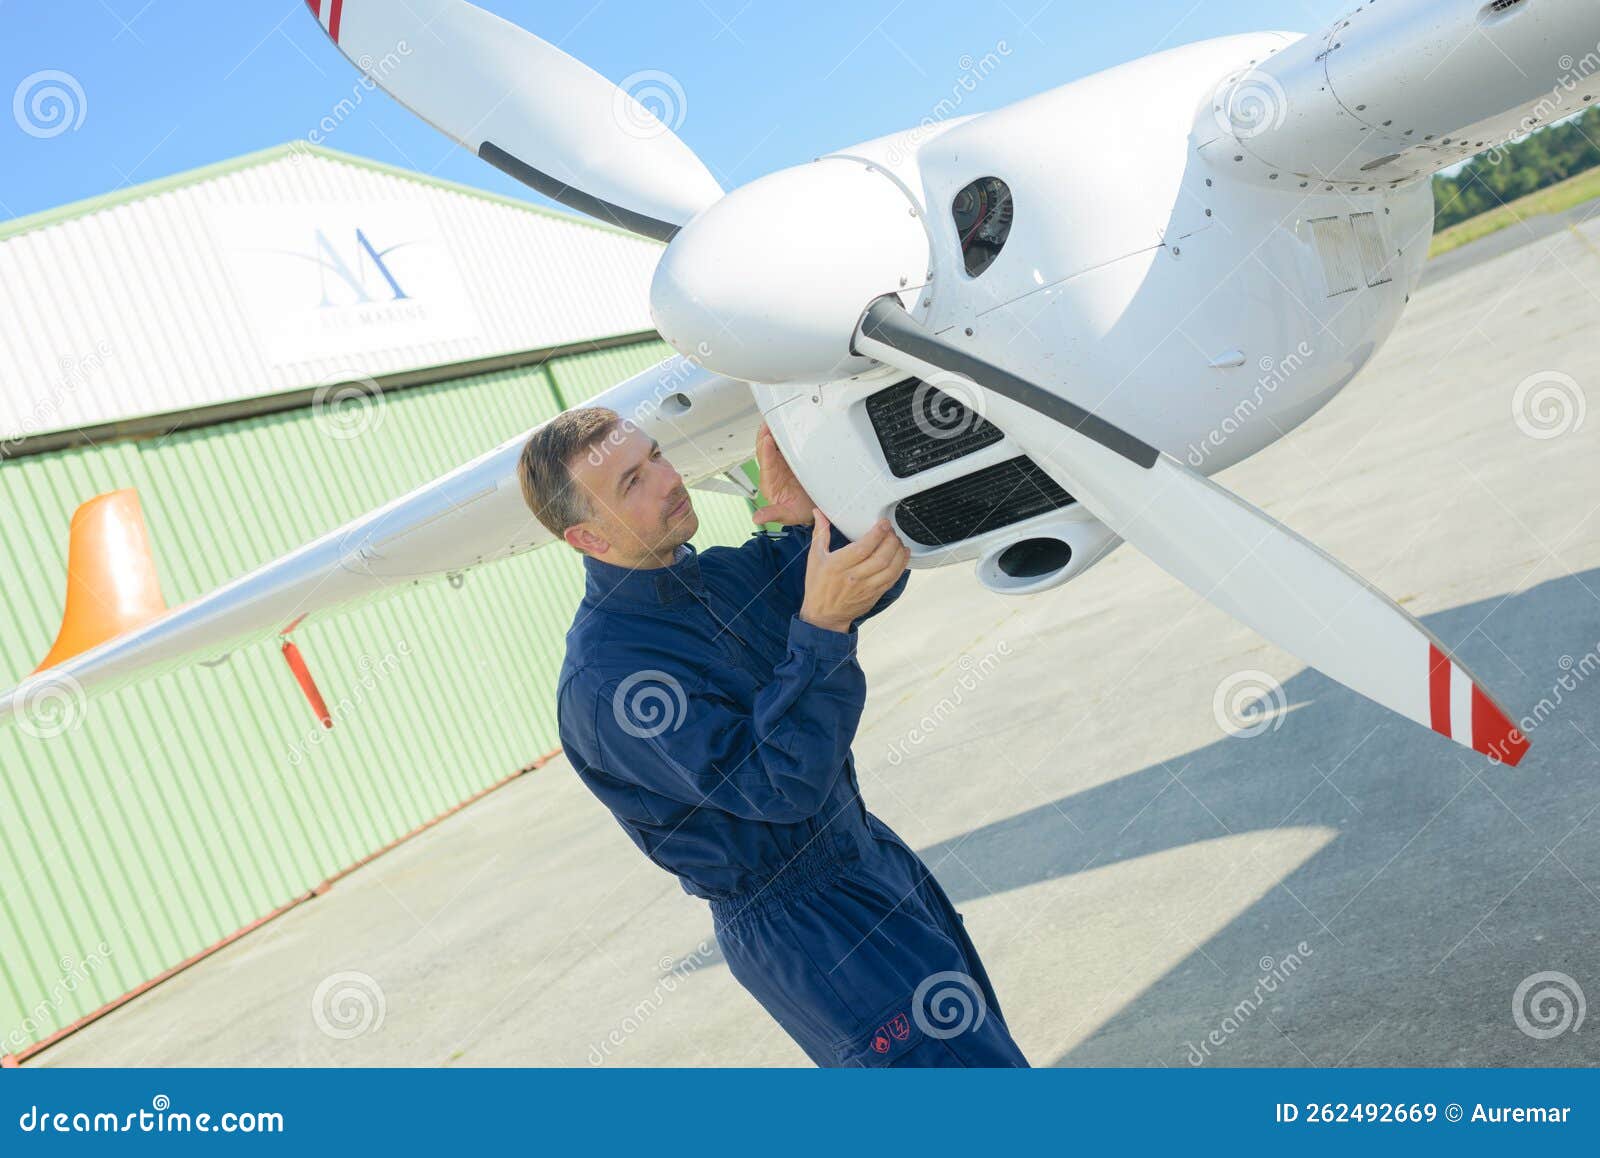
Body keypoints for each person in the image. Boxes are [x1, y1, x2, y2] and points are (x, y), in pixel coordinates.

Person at [516, 406, 1028, 1067]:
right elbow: (777, 783)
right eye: (631, 483)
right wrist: (819, 628)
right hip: (811, 927)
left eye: (656, 457)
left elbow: (866, 578)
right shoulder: (612, 679)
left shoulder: (718, 579)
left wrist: (806, 520)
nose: (669, 480)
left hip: (868, 860)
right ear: (588, 539)